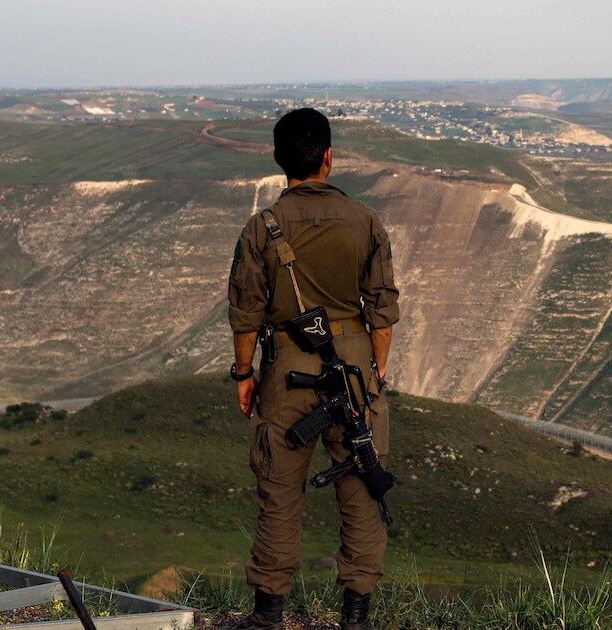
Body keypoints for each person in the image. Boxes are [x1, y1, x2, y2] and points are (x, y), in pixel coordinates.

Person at [226, 108, 399, 630]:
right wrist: (375, 373)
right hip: (354, 364)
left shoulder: (262, 227)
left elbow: (246, 315)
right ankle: (356, 615)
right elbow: (383, 312)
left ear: (278, 158)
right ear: (329, 157)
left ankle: (268, 615)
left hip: (286, 365)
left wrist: (244, 375)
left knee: (279, 495)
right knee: (363, 491)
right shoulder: (365, 221)